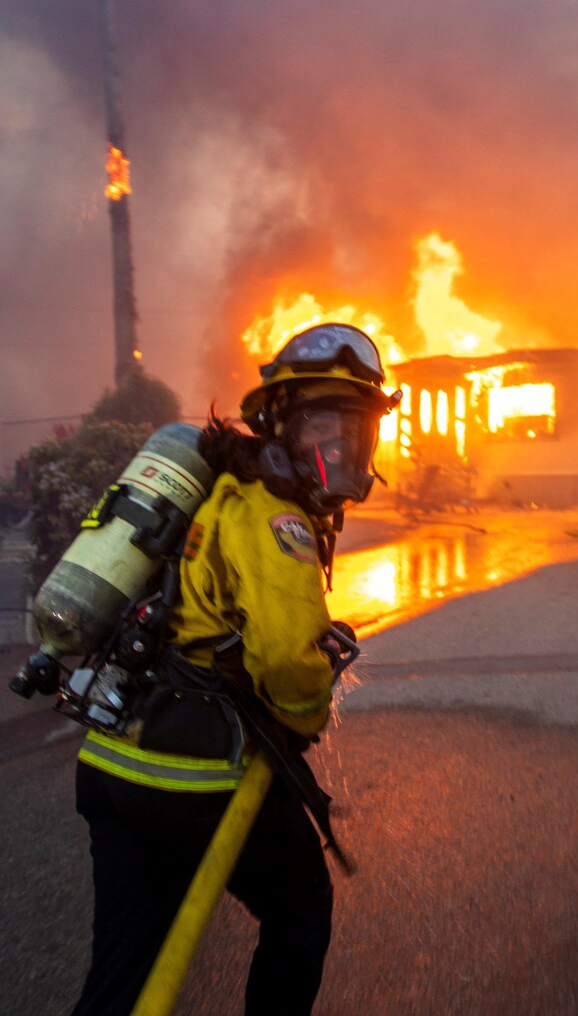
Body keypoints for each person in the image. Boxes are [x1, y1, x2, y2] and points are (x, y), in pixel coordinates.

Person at [69, 322, 400, 1016]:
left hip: (112, 763)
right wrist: (307, 713)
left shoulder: (220, 492)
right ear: (278, 425)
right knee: (300, 907)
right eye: (319, 425)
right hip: (191, 779)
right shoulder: (276, 518)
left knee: (125, 971)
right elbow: (285, 662)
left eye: (352, 430)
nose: (337, 447)